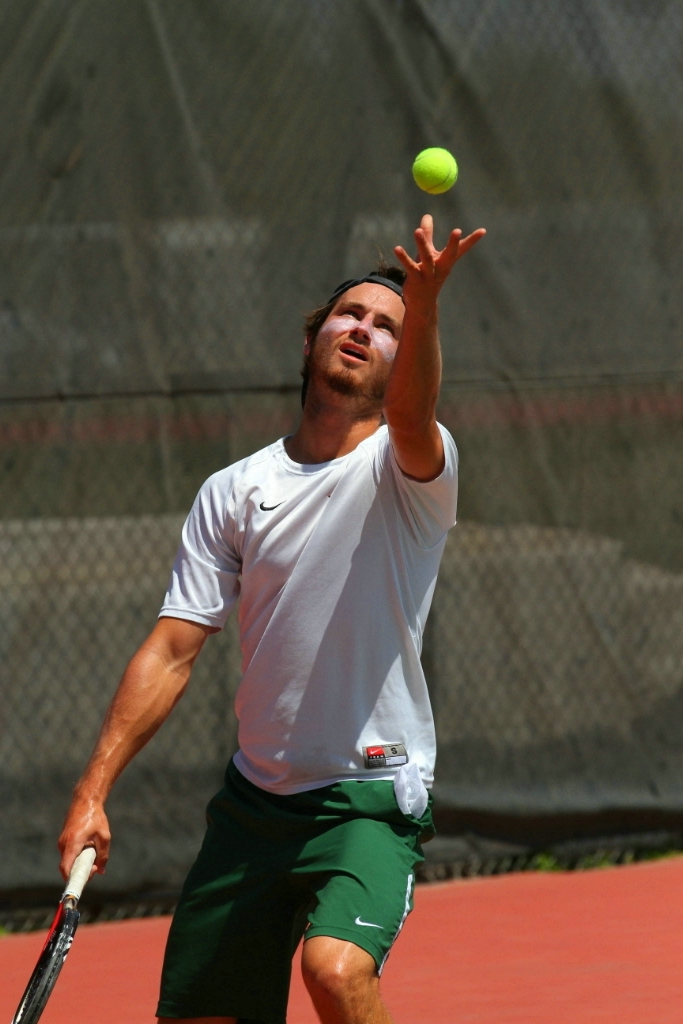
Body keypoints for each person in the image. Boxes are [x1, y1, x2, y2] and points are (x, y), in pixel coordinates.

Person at [58, 214, 485, 1024]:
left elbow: (414, 411)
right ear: (310, 340)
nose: (363, 329)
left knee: (334, 970)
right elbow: (174, 649)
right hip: (255, 800)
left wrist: (423, 307)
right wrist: (93, 791)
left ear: (405, 359)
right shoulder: (232, 490)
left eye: (386, 327)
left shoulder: (410, 468)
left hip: (366, 796)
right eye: (349, 315)